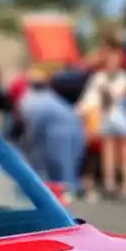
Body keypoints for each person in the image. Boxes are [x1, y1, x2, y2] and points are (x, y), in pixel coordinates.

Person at [76, 40, 126, 199]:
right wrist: (82, 110)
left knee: (125, 153)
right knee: (107, 151)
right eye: (109, 60)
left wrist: (106, 88)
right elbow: (90, 96)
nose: (112, 63)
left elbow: (117, 96)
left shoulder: (124, 77)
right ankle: (110, 184)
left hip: (122, 119)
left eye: (115, 60)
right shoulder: (99, 77)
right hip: (106, 118)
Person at [18, 66, 87, 202]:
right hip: (71, 131)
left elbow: (33, 124)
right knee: (68, 163)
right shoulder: (55, 100)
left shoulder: (32, 99)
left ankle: (61, 189)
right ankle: (68, 187)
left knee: (55, 163)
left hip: (55, 134)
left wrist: (28, 140)